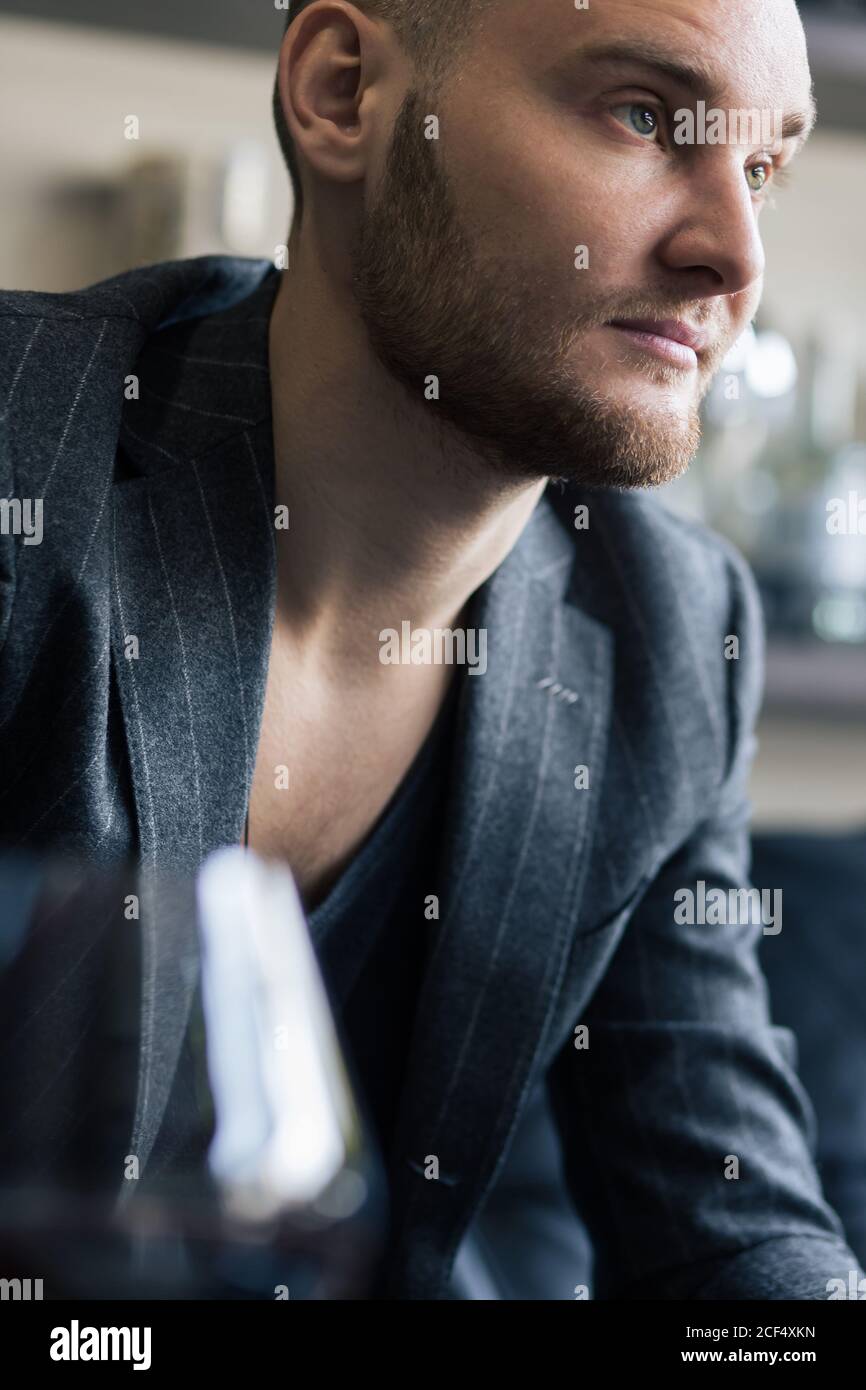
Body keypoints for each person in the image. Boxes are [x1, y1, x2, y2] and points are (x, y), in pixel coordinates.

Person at [0, 0, 862, 1299]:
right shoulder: (27, 458)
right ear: (345, 93)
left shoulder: (675, 633)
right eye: (643, 117)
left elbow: (726, 1227)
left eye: (759, 167)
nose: (731, 253)